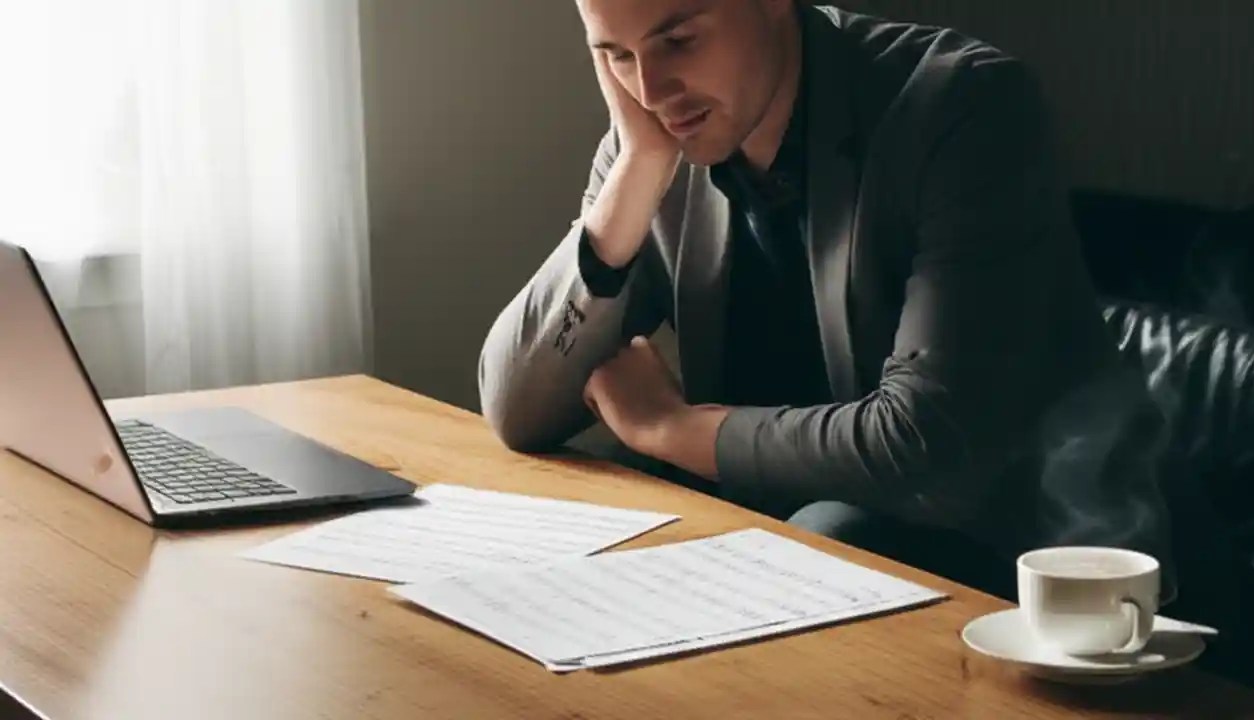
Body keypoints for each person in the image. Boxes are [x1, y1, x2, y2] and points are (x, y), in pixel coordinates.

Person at [477, 0, 1176, 600]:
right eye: (616, 56)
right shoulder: (658, 137)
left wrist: (668, 429)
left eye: (679, 40)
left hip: (1040, 578)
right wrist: (634, 171)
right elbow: (516, 408)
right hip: (786, 560)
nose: (652, 89)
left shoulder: (964, 105)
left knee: (828, 536)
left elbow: (929, 449)